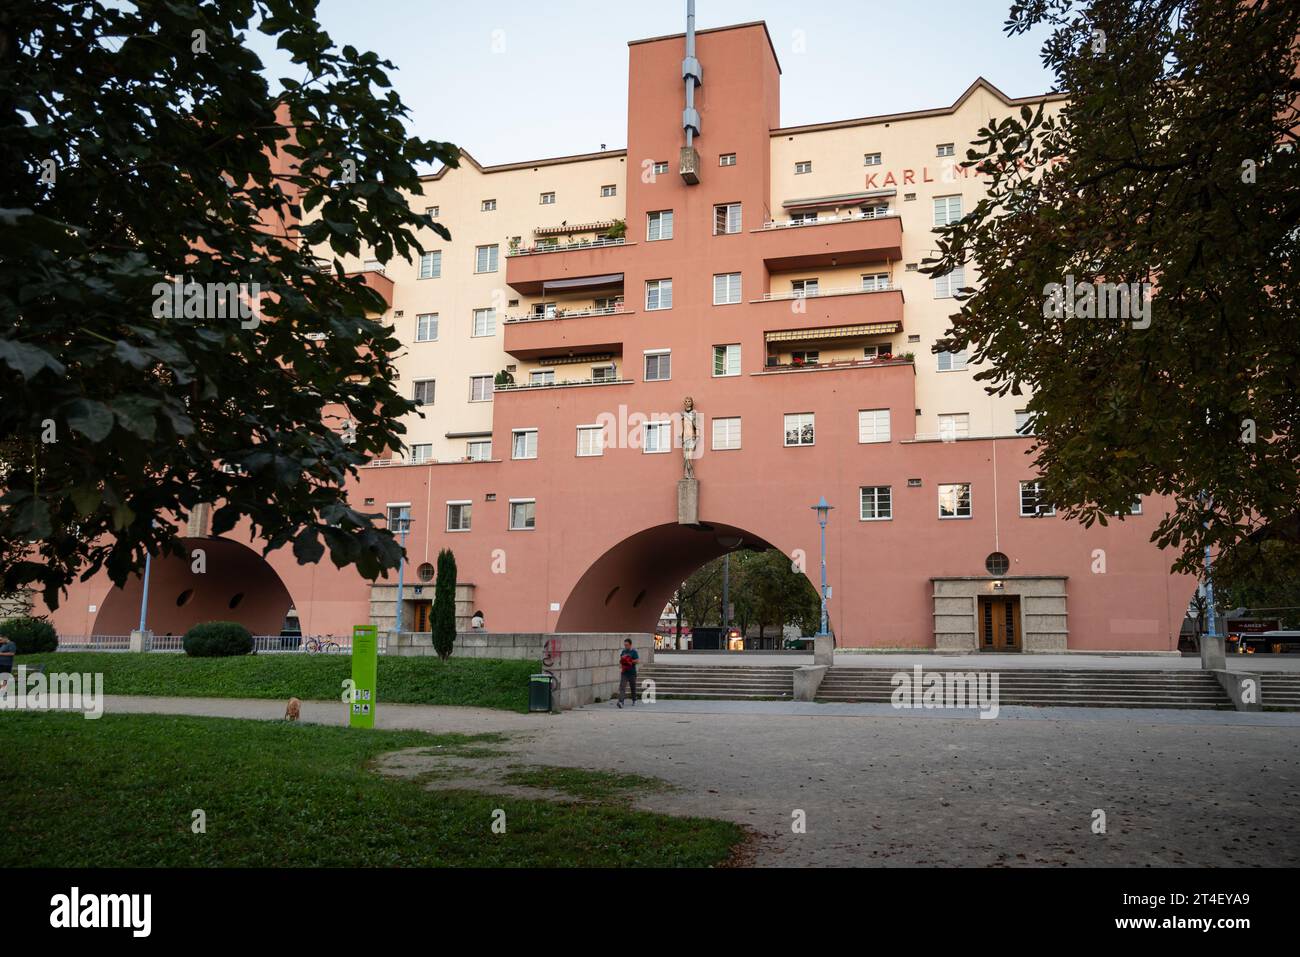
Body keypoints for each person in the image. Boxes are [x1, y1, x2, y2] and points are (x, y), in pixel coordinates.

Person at [616, 638, 639, 708]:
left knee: (633, 687)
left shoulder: (634, 652)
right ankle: (621, 702)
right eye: (625, 645)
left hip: (632, 672)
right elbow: (620, 661)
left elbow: (637, 661)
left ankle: (634, 699)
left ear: (630, 645)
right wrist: (621, 664)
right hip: (624, 672)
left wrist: (630, 661)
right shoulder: (623, 652)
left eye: (627, 645)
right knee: (622, 687)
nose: (626, 646)